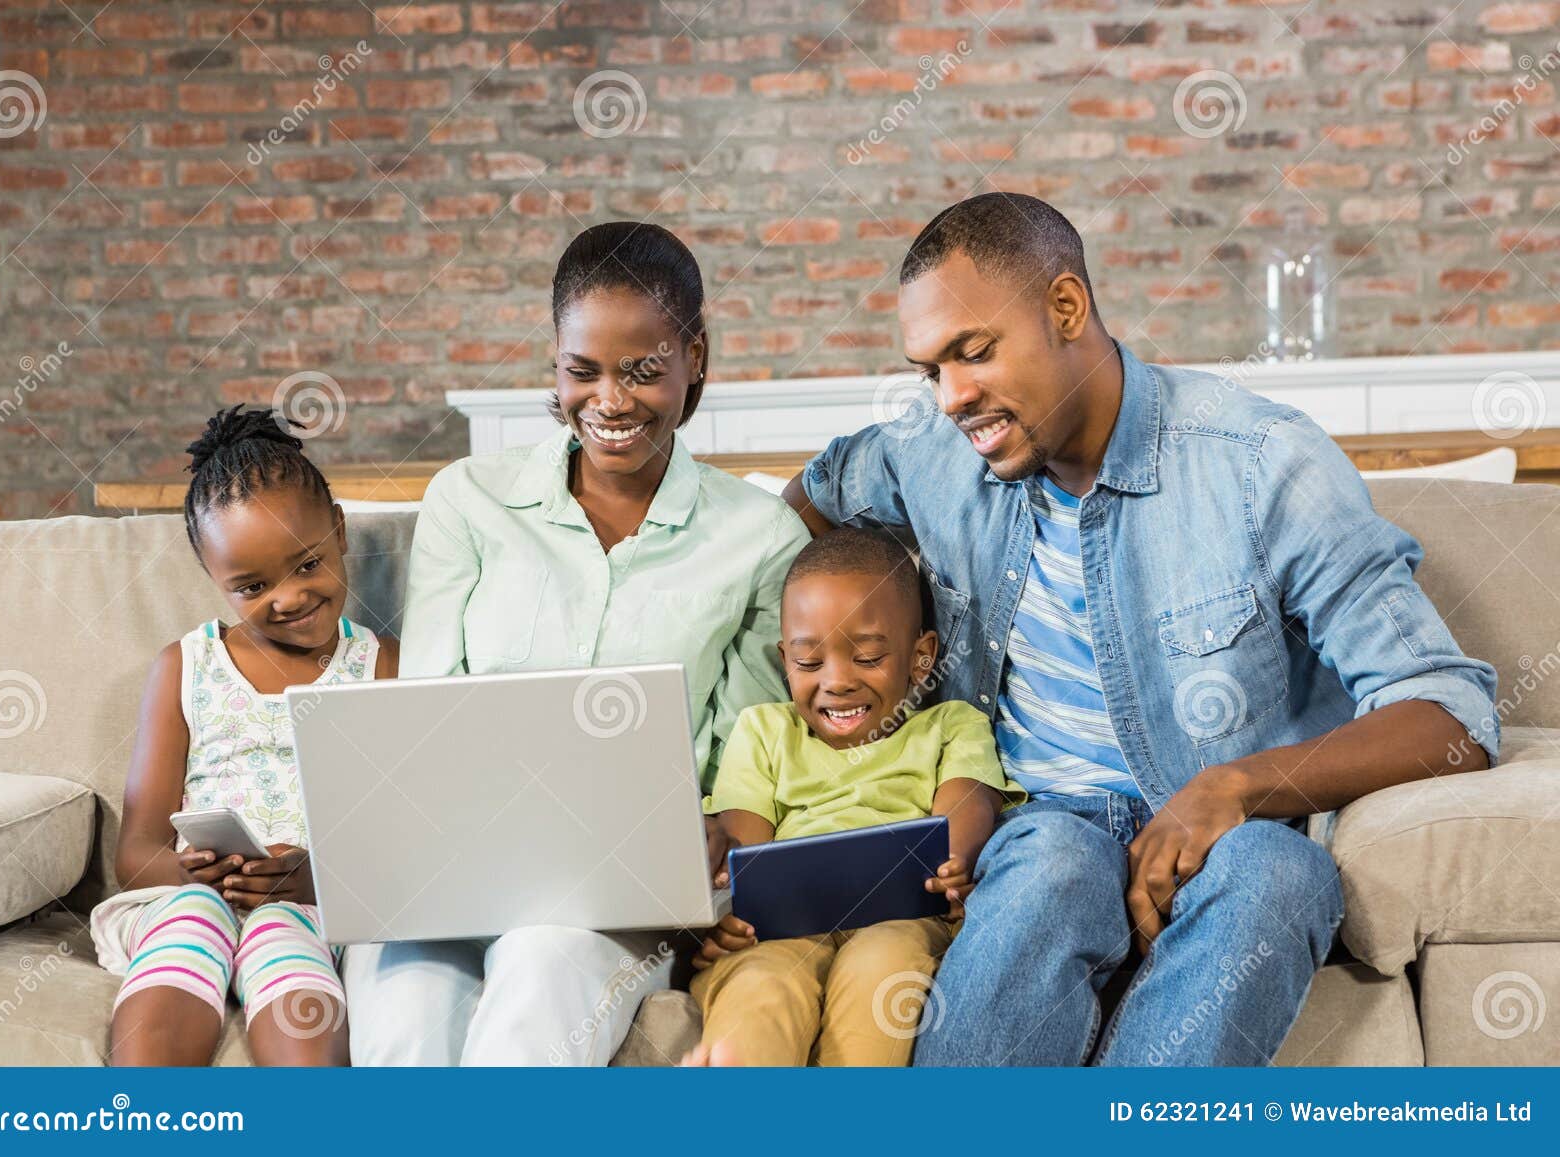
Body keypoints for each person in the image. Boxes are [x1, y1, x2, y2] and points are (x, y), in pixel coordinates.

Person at [783, 192, 1499, 1066]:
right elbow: (802, 511)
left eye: (973, 353)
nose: (950, 397)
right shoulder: (930, 456)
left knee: (1283, 874)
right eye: (930, 368)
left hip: (1238, 833)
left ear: (1066, 308)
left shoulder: (1261, 463)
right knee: (1048, 867)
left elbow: (1451, 712)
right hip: (1041, 821)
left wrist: (1233, 786)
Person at [342, 221, 810, 1067]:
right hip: (452, 873)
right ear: (554, 364)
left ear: (694, 357)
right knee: (405, 1013)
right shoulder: (469, 500)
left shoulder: (760, 536)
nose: (611, 401)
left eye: (643, 371)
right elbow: (424, 723)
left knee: (542, 964)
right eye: (582, 370)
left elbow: (749, 759)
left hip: (617, 899)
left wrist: (713, 837)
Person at [95, 405, 400, 1066]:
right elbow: (137, 850)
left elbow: (408, 841)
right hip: (195, 893)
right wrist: (196, 870)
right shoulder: (185, 666)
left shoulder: (384, 666)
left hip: (312, 901)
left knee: (282, 936)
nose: (288, 598)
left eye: (308, 564)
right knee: (190, 920)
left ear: (339, 531)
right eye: (252, 586)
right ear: (216, 580)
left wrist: (313, 876)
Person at [690, 527, 1023, 1066]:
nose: (837, 681)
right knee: (763, 985)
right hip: (782, 928)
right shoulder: (764, 731)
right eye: (809, 663)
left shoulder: (950, 725)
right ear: (784, 662)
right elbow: (743, 847)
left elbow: (967, 804)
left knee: (882, 972)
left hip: (901, 918)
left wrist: (955, 862)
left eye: (867, 658)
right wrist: (732, 911)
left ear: (921, 658)